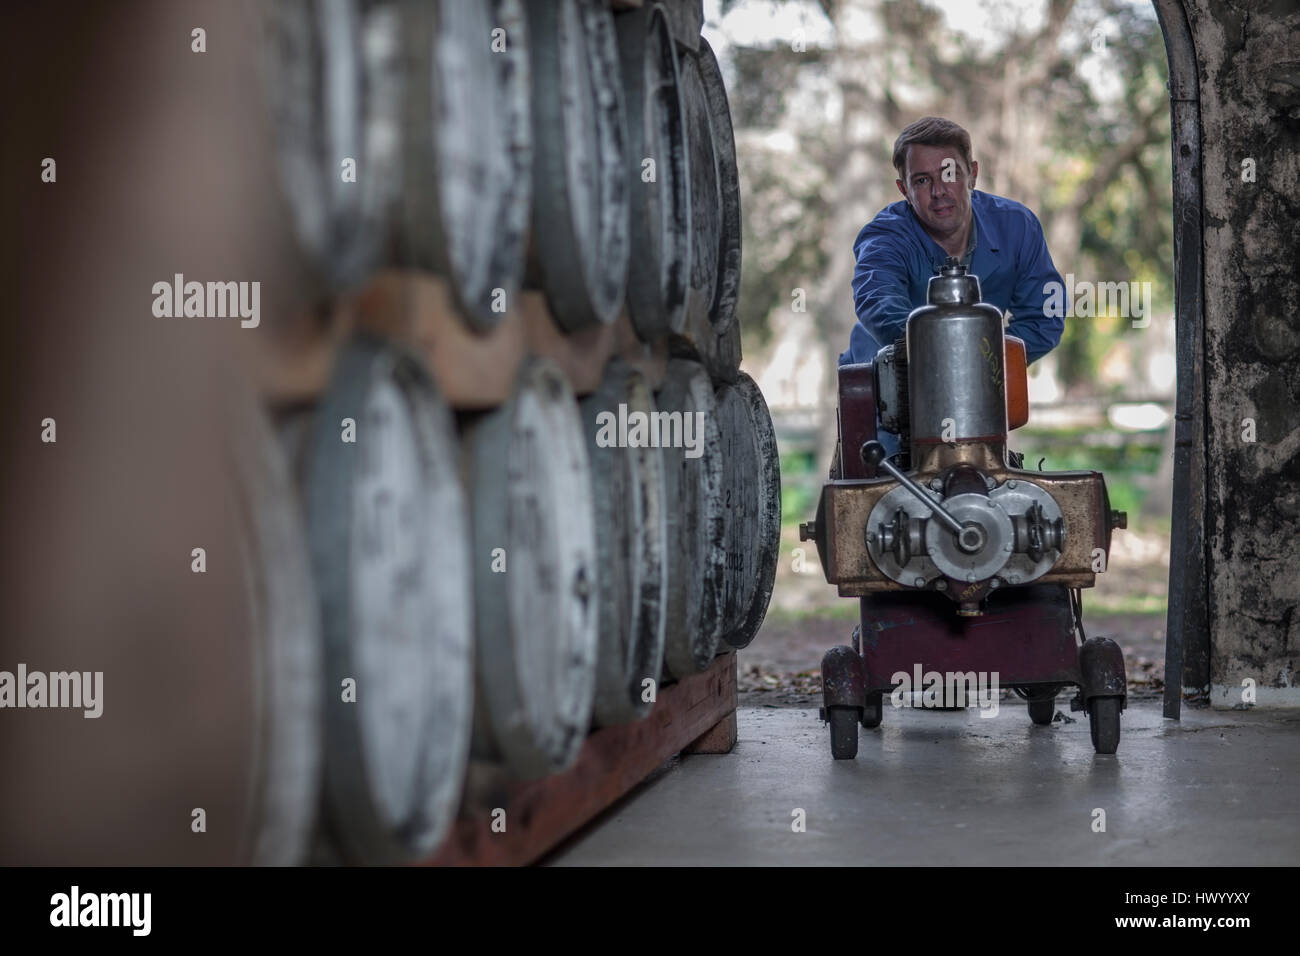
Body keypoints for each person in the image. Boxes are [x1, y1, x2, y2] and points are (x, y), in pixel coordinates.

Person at [841, 116, 1065, 460]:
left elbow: (1045, 316)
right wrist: (946, 359)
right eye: (922, 180)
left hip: (977, 400)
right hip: (886, 398)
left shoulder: (1018, 227)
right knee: (880, 493)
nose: (939, 191)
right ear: (904, 189)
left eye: (950, 173)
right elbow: (878, 300)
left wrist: (983, 366)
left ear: (972, 173)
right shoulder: (884, 236)